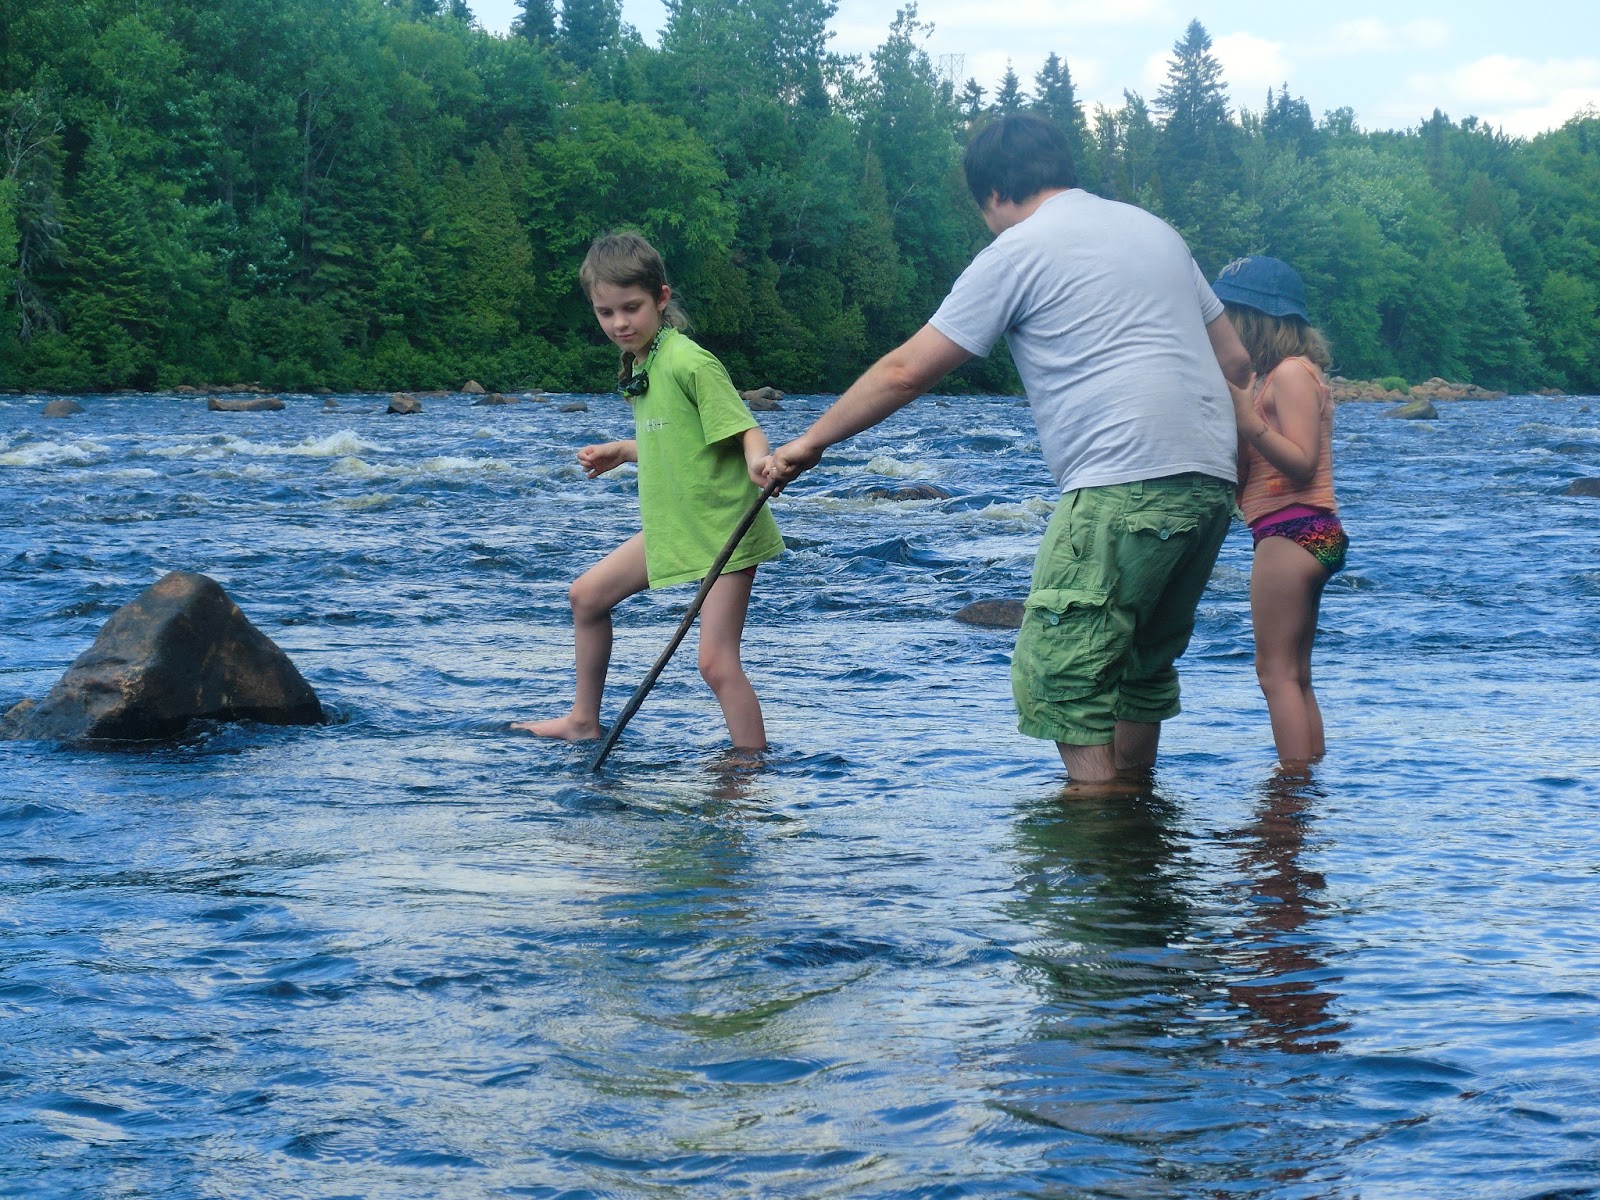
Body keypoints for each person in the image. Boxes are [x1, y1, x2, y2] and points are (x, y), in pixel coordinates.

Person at [760, 114, 1251, 787]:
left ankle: (1096, 829)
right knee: (1140, 668)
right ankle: (1137, 821)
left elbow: (906, 373)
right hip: (1209, 484)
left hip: (1121, 481)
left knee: (1060, 676)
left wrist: (809, 442)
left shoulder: (1020, 249)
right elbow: (1236, 362)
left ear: (993, 193)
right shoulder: (1156, 232)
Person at [514, 232, 785, 751]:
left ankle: (749, 765)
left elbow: (745, 429)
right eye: (606, 312)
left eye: (631, 308)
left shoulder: (688, 361)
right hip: (677, 525)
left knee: (715, 662)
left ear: (661, 298)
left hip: (724, 529)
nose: (619, 323)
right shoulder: (643, 361)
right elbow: (678, 441)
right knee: (586, 597)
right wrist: (623, 449)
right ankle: (583, 721)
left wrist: (758, 462)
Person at [1212, 256, 1347, 768]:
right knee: (1295, 674)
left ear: (1255, 319)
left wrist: (1247, 420)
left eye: (1228, 315)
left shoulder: (1291, 374)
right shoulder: (1277, 377)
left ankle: (1290, 792)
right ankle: (1308, 778)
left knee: (1273, 673)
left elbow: (1302, 461)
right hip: (1308, 532)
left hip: (1293, 529)